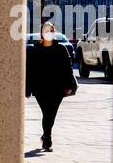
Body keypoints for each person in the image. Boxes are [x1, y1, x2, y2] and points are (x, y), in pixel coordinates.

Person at [26, 22, 77, 151]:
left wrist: (70, 85)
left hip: (57, 88)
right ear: (42, 33)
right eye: (46, 30)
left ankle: (47, 139)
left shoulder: (61, 49)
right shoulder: (34, 50)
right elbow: (29, 70)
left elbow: (68, 68)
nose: (48, 33)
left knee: (50, 114)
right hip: (40, 88)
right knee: (46, 113)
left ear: (53, 33)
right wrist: (27, 89)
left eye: (50, 30)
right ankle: (46, 137)